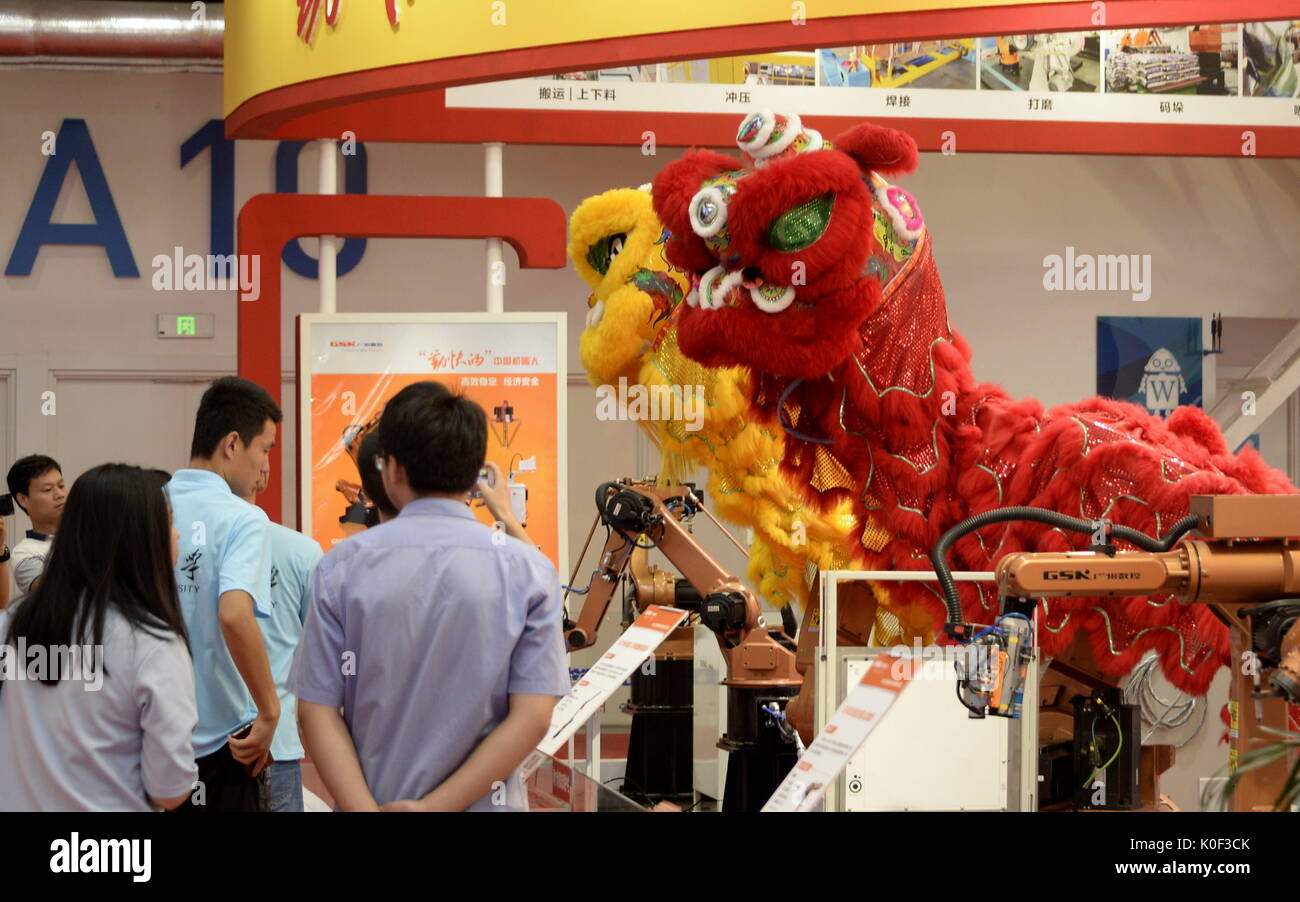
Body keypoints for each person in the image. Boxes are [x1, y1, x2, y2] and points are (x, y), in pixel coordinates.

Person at [290, 381, 568, 811]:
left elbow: (317, 710)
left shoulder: (341, 568)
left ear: (392, 470)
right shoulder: (528, 571)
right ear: (474, 472)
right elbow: (531, 717)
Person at [0, 464, 198, 811]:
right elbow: (171, 790)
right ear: (138, 539)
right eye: (167, 522)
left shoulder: (14, 623)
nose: (177, 535)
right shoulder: (153, 643)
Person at [166, 376, 281, 812]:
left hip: (150, 738)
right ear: (233, 444)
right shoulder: (243, 519)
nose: (265, 464)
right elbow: (234, 615)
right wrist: (270, 712)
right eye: (265, 449)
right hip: (223, 745)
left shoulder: (150, 503)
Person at [239, 471, 323, 812]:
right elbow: (318, 660)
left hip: (210, 745)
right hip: (277, 741)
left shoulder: (185, 548)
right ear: (261, 475)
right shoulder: (303, 551)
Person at [4, 455, 66, 601]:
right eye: (47, 489)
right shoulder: (25, 552)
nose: (59, 494)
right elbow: (53, 593)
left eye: (61, 486)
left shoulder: (88, 533)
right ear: (23, 500)